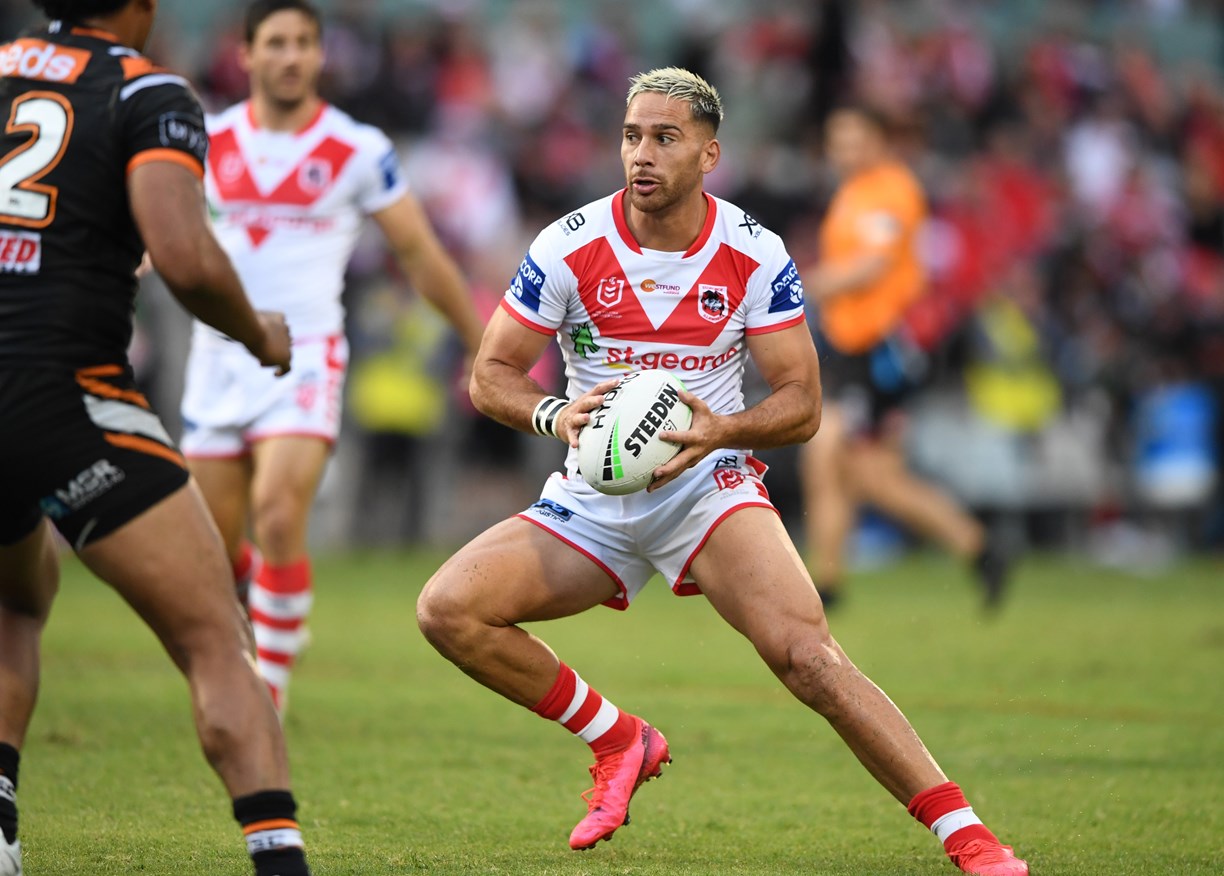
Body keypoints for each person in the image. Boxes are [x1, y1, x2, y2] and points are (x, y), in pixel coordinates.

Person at [416, 68, 1029, 875]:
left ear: (709, 154)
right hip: (591, 499)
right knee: (447, 611)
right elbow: (489, 373)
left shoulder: (752, 253)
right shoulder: (566, 246)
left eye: (664, 138)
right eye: (633, 135)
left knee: (809, 659)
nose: (642, 154)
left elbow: (802, 402)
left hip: (709, 490)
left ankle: (970, 839)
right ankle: (619, 738)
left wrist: (723, 430)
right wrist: (552, 414)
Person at [0, 1, 312, 874]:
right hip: (63, 394)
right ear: (137, 7)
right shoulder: (145, 88)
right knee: (216, 641)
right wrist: (259, 334)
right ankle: (279, 861)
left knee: (18, 599)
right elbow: (183, 253)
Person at [180, 0, 484, 711]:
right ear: (247, 55)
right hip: (218, 356)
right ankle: (274, 605)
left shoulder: (356, 148)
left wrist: (480, 343)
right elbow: (158, 238)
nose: (291, 56)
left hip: (305, 356)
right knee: (213, 553)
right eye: (276, 43)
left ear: (321, 55)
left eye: (304, 43)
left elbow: (419, 252)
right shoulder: (206, 140)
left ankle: (270, 692)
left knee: (280, 513)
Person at [797, 106, 1011, 610]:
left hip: (882, 350)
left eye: (854, 139)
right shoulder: (852, 193)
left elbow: (872, 267)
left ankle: (824, 586)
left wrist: (800, 285)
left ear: (879, 141)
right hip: (853, 349)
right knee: (867, 475)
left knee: (824, 451)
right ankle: (978, 547)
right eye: (837, 140)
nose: (844, 150)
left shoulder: (891, 190)